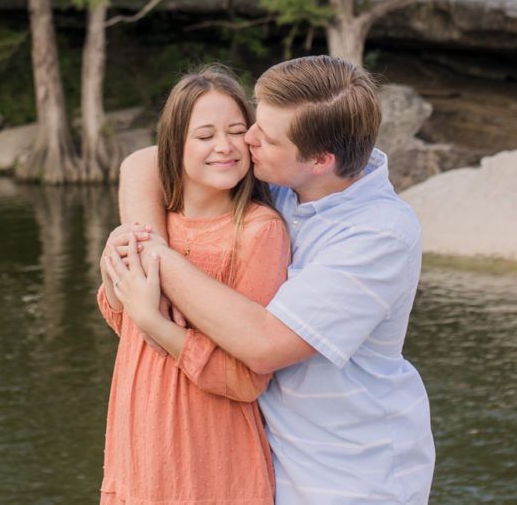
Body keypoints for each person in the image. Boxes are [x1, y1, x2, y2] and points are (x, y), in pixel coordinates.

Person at [114, 55, 435, 505]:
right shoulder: (287, 179)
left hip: (350, 475)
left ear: (321, 159)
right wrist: (146, 240)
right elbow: (144, 162)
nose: (247, 139)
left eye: (265, 135)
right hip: (268, 460)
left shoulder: (378, 235)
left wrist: (155, 266)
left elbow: (265, 345)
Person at [97, 66, 291, 505]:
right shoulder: (152, 223)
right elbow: (124, 326)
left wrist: (155, 322)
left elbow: (247, 379)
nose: (223, 146)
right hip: (138, 455)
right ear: (175, 144)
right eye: (204, 135)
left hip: (209, 464)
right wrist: (112, 269)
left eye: (236, 131)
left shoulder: (258, 232)